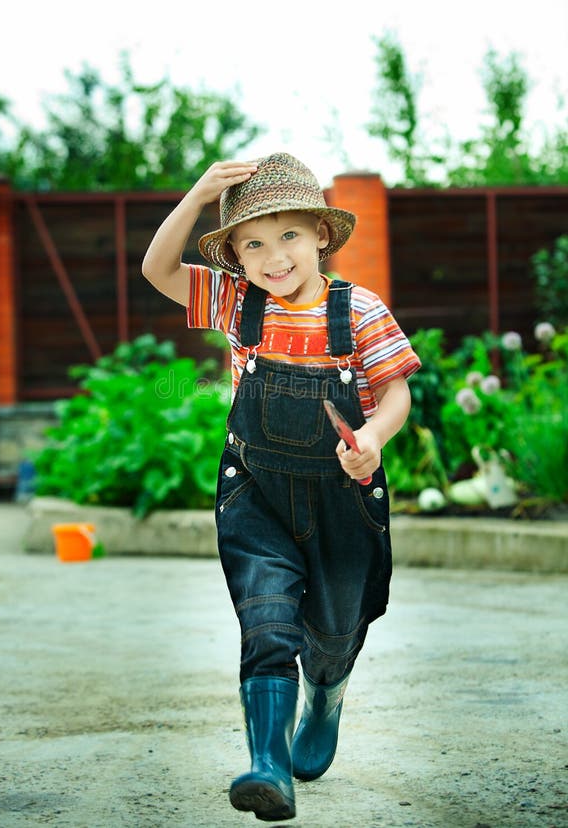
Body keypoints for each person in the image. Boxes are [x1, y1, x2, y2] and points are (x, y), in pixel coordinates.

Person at [142, 152, 421, 822]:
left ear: (322, 234)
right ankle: (268, 766)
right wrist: (199, 192)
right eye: (254, 243)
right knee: (266, 623)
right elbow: (157, 269)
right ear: (235, 256)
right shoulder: (236, 302)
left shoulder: (358, 310)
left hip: (342, 498)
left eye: (289, 235)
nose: (274, 257)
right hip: (257, 495)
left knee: (330, 631)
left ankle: (325, 694)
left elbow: (395, 393)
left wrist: (374, 439)